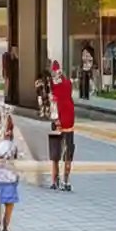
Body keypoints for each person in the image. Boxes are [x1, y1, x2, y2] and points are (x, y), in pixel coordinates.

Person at [48, 60, 76, 191]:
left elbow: (52, 103)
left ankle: (55, 180)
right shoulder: (68, 83)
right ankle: (66, 180)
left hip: (57, 119)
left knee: (55, 151)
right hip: (69, 118)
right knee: (68, 151)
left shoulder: (52, 86)